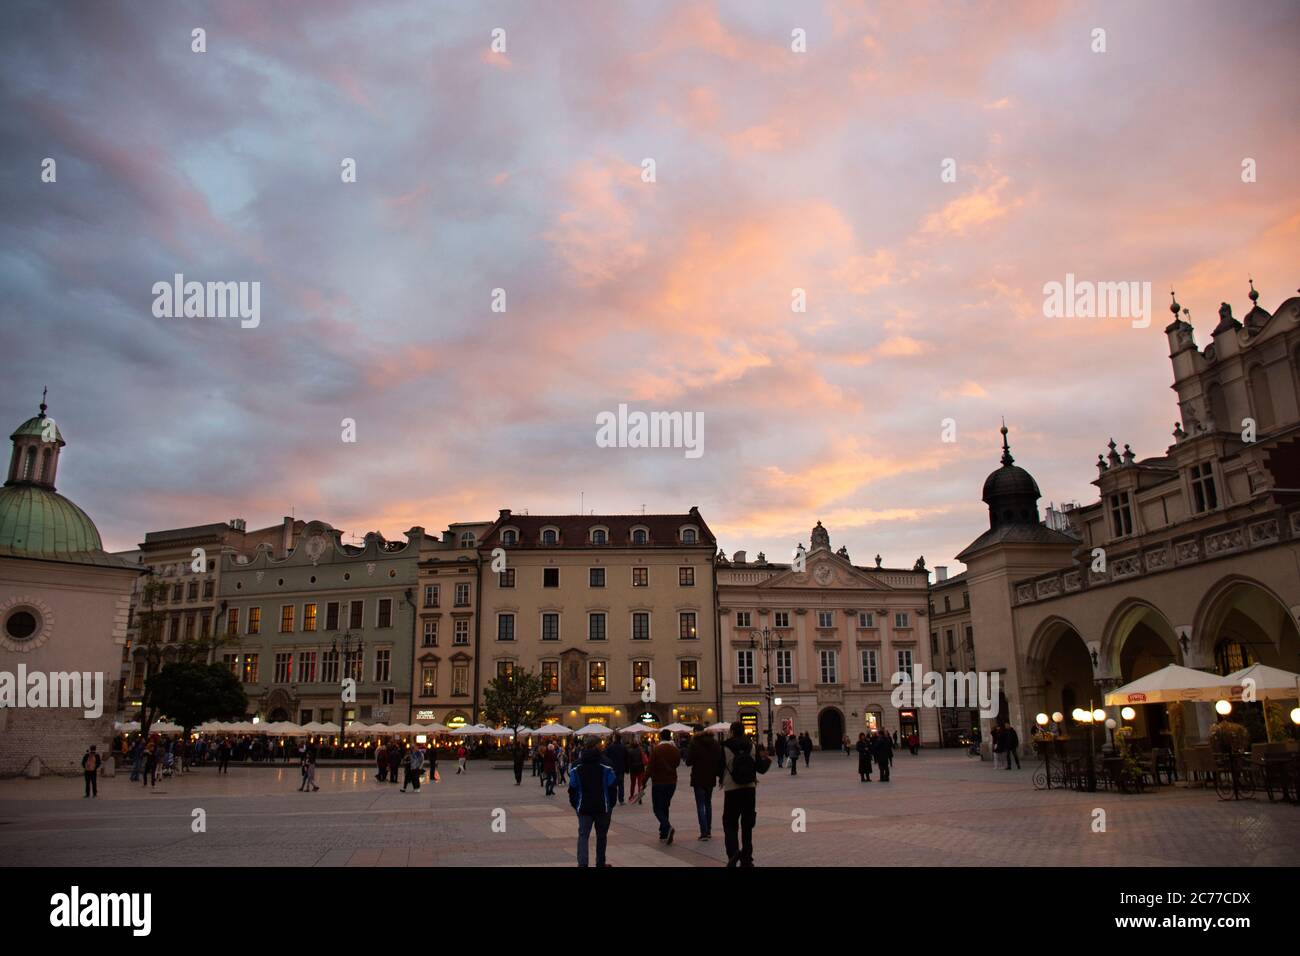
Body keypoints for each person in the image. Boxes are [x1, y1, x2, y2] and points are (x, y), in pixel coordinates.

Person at [719, 723, 770, 867]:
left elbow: (719, 766)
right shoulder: (751, 745)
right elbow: (759, 768)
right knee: (747, 824)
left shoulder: (724, 746)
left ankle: (733, 852)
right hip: (749, 788)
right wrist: (767, 760)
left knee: (730, 823)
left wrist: (720, 779)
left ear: (732, 732)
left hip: (731, 789)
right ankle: (747, 857)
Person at [569, 740, 618, 867]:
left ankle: (583, 863)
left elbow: (572, 787)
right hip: (603, 805)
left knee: (583, 836)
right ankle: (600, 862)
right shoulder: (607, 764)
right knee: (602, 836)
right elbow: (612, 785)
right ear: (597, 747)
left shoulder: (576, 765)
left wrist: (575, 804)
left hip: (583, 806)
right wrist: (611, 804)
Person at [685, 729, 721, 841]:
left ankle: (704, 832)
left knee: (700, 805)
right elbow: (719, 760)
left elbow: (688, 761)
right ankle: (709, 830)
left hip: (698, 778)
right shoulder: (715, 743)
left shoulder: (695, 743)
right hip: (710, 777)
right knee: (708, 803)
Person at [646, 729, 680, 845]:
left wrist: (644, 780)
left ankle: (667, 826)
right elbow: (677, 763)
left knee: (657, 808)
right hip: (672, 782)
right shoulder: (675, 750)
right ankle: (664, 833)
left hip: (659, 782)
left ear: (660, 737)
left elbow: (650, 767)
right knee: (665, 806)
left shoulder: (657, 750)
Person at [606, 734, 628, 804]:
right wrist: (627, 768)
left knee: (613, 784)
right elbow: (626, 758)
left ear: (615, 739)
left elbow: (606, 757)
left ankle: (613, 799)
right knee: (621, 785)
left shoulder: (610, 747)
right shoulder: (623, 747)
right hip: (621, 768)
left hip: (612, 768)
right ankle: (621, 800)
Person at [626, 737, 646, 803]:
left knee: (633, 784)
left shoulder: (629, 751)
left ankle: (631, 796)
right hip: (640, 768)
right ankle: (640, 798)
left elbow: (628, 761)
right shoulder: (640, 750)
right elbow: (644, 759)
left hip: (633, 769)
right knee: (640, 783)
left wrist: (628, 769)